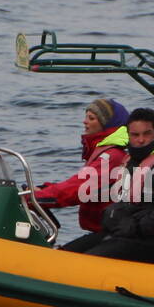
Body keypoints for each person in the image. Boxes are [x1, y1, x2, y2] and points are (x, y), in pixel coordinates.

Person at [69, 107, 154, 264]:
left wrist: (137, 227)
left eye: (147, 134)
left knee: (89, 261)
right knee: (66, 254)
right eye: (135, 135)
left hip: (151, 244)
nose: (141, 140)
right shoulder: (129, 163)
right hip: (122, 236)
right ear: (128, 136)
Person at [33, 99, 129, 251]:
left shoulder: (111, 156)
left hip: (112, 232)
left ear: (105, 124)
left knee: (63, 255)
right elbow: (75, 184)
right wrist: (45, 189)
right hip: (104, 230)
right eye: (86, 117)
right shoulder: (105, 153)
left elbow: (77, 189)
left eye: (91, 118)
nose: (85, 121)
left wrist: (34, 198)